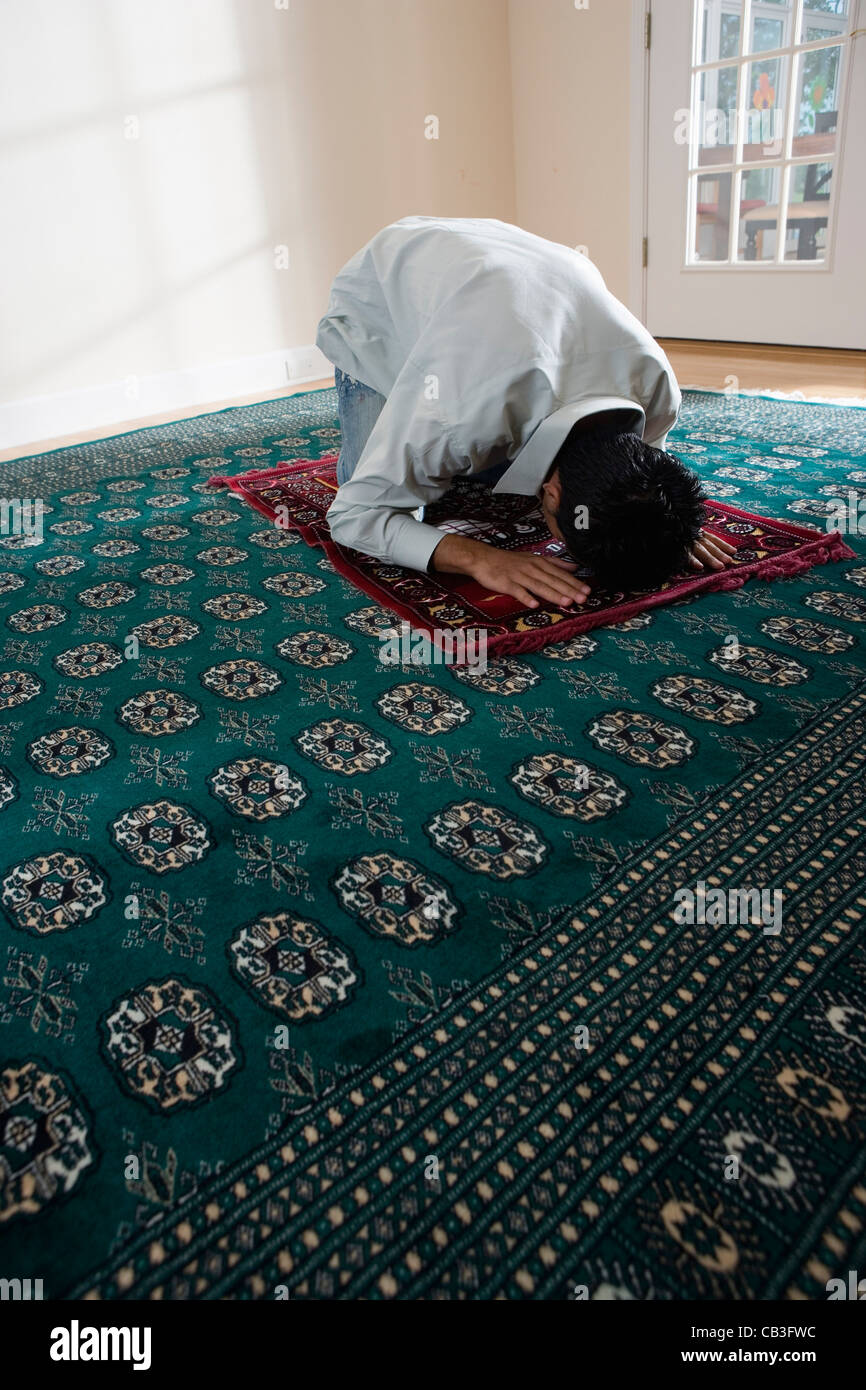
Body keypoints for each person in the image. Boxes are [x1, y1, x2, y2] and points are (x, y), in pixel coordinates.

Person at [316, 216, 734, 609]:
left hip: (498, 275)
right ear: (550, 493)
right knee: (387, 496)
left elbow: (641, 478)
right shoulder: (458, 412)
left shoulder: (657, 389)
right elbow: (355, 518)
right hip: (381, 301)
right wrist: (480, 559)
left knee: (472, 462)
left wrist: (663, 525)